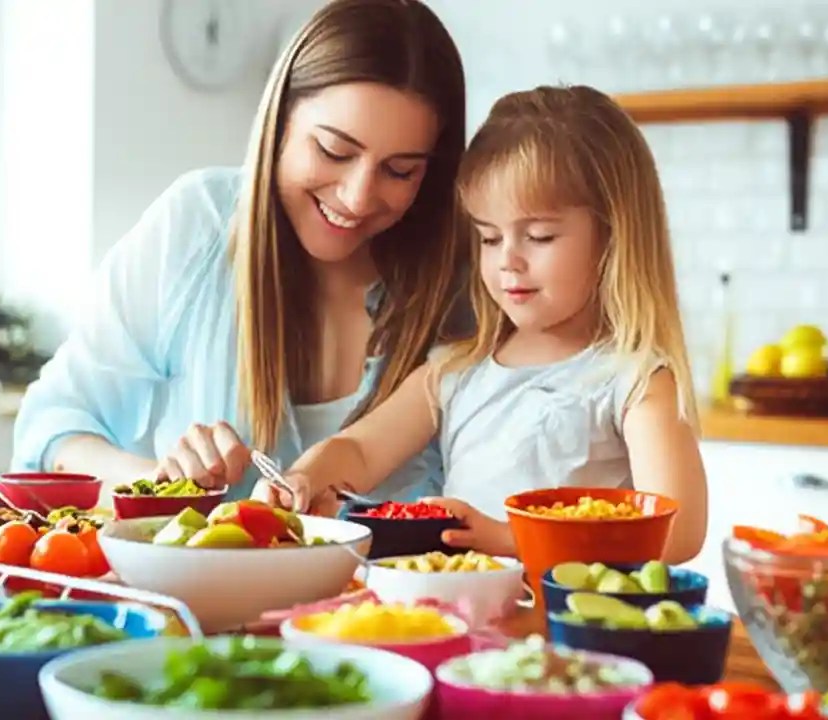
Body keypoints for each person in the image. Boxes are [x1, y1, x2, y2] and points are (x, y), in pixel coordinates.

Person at [11, 0, 471, 502]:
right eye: (334, 152)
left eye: (400, 170)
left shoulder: (474, 275)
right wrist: (158, 484)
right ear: (280, 123)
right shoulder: (196, 225)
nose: (357, 197)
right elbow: (51, 432)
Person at [268, 85, 708, 564]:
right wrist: (308, 475)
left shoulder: (633, 381)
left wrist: (510, 539)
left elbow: (676, 532)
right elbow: (360, 449)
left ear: (613, 237)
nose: (508, 262)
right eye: (489, 238)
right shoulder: (456, 372)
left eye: (539, 236)